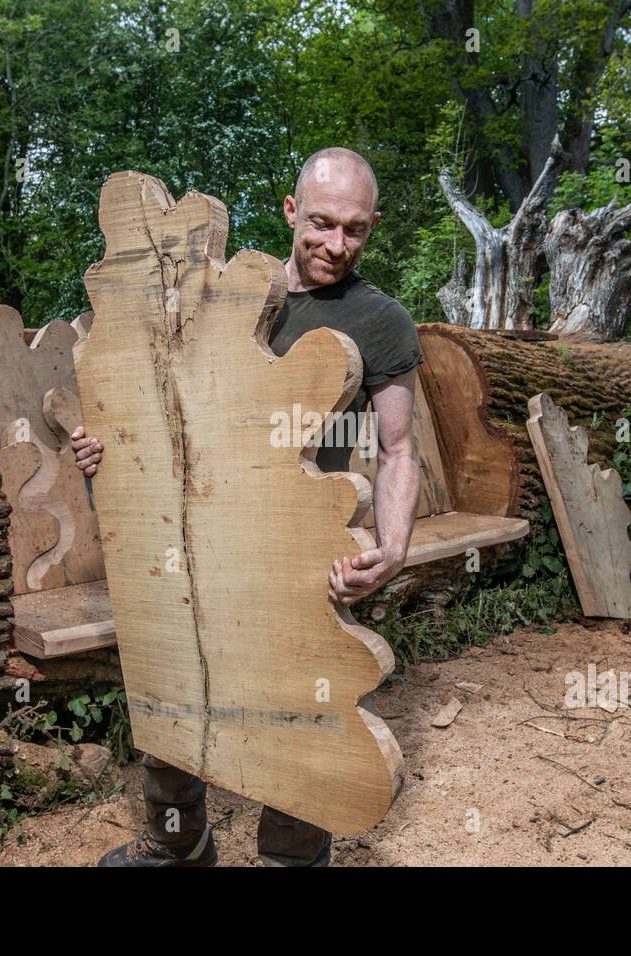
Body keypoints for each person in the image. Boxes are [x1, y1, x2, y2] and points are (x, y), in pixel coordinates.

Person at [70, 147, 421, 866]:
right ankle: (180, 847)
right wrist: (102, 452)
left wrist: (391, 551)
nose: (336, 244)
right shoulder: (215, 292)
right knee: (174, 696)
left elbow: (398, 449)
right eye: (322, 223)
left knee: (300, 719)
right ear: (292, 211)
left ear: (372, 227)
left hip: (293, 541)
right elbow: (149, 408)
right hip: (185, 538)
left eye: (355, 230)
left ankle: (292, 863)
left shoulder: (381, 320)